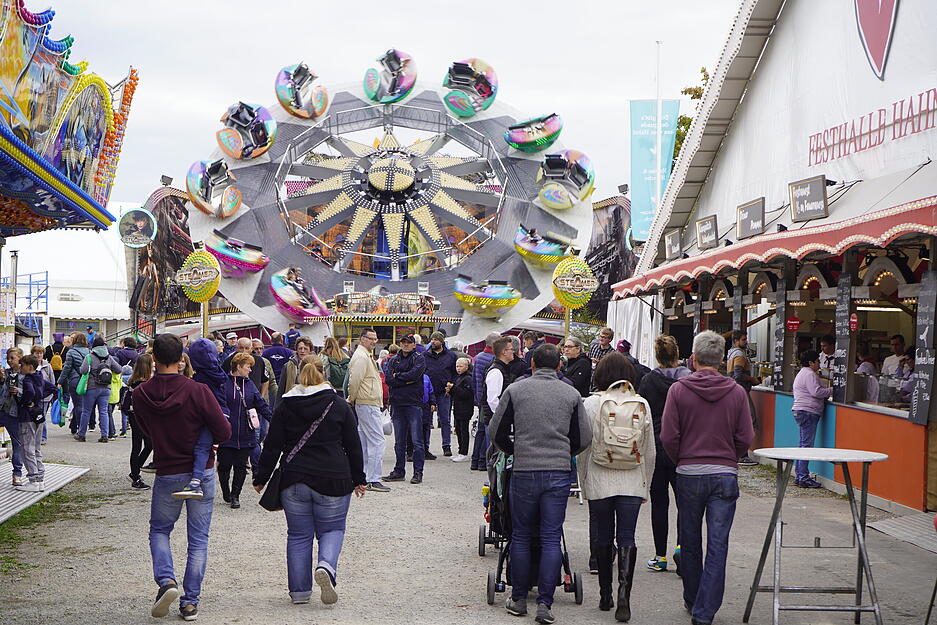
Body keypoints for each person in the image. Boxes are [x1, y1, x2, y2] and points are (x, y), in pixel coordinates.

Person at [489, 344, 591, 624]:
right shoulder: (571, 394)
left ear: (532, 364)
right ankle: (545, 603)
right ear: (559, 366)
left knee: (521, 535)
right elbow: (583, 437)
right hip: (557, 472)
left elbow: (496, 431)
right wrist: (564, 453)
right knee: (551, 536)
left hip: (525, 470)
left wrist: (514, 450)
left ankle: (519, 598)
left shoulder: (516, 391)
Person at [133, 333, 231, 621]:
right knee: (198, 539)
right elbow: (223, 432)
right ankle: (190, 602)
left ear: (154, 358)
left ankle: (166, 580)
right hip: (201, 471)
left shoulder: (141, 393)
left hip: (167, 468)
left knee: (160, 530)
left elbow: (146, 430)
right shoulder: (198, 390)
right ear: (181, 359)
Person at [253, 358, 367, 605]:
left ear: (298, 375)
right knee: (332, 529)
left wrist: (261, 477)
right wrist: (359, 478)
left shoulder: (285, 405)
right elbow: (353, 445)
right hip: (333, 477)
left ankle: (300, 592)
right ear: (324, 374)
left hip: (295, 478)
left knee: (298, 535)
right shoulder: (339, 405)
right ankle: (326, 566)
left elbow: (272, 445)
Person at [660, 330, 754, 625]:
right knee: (718, 543)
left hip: (689, 473)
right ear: (722, 359)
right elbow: (745, 437)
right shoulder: (736, 392)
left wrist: (682, 459)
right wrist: (729, 457)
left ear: (693, 358)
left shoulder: (678, 390)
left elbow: (668, 436)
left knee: (689, 539)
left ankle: (692, 597)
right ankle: (705, 610)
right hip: (724, 474)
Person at [578, 352, 654, 620]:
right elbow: (649, 450)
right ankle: (624, 594)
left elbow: (583, 448)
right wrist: (645, 485)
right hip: (631, 479)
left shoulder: (592, 403)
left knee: (603, 536)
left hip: (600, 477)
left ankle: (605, 594)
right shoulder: (641, 403)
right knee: (627, 537)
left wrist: (584, 483)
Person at [638, 335, 691, 574]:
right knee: (684, 503)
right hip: (682, 447)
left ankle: (660, 556)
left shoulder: (648, 380)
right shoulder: (688, 380)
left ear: (657, 355)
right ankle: (682, 548)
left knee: (659, 503)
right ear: (677, 353)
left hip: (656, 445)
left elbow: (642, 414)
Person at [217, 353, 272, 508]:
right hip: (227, 433)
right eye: (248, 366)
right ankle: (226, 490)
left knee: (241, 466)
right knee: (224, 465)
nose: (250, 370)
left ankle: (235, 495)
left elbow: (261, 404)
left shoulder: (250, 385)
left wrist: (273, 420)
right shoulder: (224, 384)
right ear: (239, 367)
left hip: (245, 433)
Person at [347, 328, 389, 492]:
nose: (374, 342)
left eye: (375, 339)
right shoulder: (362, 357)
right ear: (362, 339)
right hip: (367, 402)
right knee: (377, 441)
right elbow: (354, 380)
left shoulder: (364, 355)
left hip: (366, 402)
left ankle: (364, 476)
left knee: (365, 441)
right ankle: (373, 478)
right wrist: (352, 398)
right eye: (371, 338)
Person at [382, 334, 427, 484]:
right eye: (403, 342)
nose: (406, 345)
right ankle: (399, 471)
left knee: (417, 441)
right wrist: (405, 380)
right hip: (397, 403)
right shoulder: (393, 360)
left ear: (414, 345)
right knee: (399, 442)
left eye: (408, 342)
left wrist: (398, 376)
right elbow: (389, 379)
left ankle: (418, 472)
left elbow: (415, 375)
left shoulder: (419, 358)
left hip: (413, 403)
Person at [12, 354, 56, 491]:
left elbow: (29, 391)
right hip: (38, 414)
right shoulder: (39, 377)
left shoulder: (27, 379)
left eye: (22, 365)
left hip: (27, 416)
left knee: (27, 449)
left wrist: (25, 401)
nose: (20, 367)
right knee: (36, 448)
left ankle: (33, 480)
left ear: (29, 367)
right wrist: (38, 399)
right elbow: (53, 388)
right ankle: (40, 479)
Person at [791, 350, 833, 489]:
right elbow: (816, 392)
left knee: (803, 445)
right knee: (806, 446)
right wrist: (831, 390)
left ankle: (799, 475)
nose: (819, 363)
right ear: (811, 363)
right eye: (817, 361)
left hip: (801, 410)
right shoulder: (810, 374)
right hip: (808, 411)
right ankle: (803, 477)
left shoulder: (802, 373)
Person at [78, 337, 122, 443]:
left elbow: (83, 370)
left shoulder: (89, 357)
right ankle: (104, 435)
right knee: (103, 412)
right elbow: (119, 369)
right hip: (106, 388)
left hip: (92, 388)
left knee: (86, 411)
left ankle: (82, 434)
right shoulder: (109, 357)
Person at [726, 330, 760, 467]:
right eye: (743, 339)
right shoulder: (739, 354)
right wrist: (752, 379)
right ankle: (742, 455)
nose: (746, 342)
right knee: (748, 420)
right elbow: (738, 374)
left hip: (734, 390)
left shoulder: (731, 353)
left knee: (738, 422)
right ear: (736, 341)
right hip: (741, 390)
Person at [424, 331, 457, 457]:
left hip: (444, 392)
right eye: (432, 339)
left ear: (441, 342)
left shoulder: (451, 356)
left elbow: (455, 373)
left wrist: (451, 383)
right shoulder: (425, 355)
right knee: (426, 421)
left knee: (445, 420)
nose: (433, 342)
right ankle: (425, 446)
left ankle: (446, 445)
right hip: (429, 392)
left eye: (436, 340)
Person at [125, 353, 155, 489]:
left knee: (145, 444)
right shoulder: (144, 384)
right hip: (141, 417)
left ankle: (135, 471)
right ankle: (135, 476)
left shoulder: (133, 382)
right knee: (140, 445)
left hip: (134, 416)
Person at [471, 332, 499, 471]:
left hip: (481, 398)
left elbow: (475, 380)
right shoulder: (492, 359)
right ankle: (485, 461)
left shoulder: (479, 357)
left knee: (480, 431)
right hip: (487, 399)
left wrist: (477, 397)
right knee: (486, 431)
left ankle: (476, 460)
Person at [0, 348, 25, 486]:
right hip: (2, 409)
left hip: (14, 413)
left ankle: (17, 474)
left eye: (12, 358)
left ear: (20, 359)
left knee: (17, 443)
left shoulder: (24, 374)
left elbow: (31, 392)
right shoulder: (5, 373)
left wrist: (19, 391)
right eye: (8, 358)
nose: (9, 361)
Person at [58, 332, 89, 435]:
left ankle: (81, 430)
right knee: (82, 405)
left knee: (78, 405)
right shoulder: (89, 352)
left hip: (75, 380)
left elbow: (66, 368)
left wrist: (60, 381)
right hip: (86, 381)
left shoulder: (71, 352)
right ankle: (74, 426)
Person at [449, 357, 474, 462]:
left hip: (465, 408)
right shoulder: (458, 377)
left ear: (466, 367)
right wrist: (450, 390)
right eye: (457, 366)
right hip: (458, 407)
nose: (458, 368)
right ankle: (460, 451)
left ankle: (464, 452)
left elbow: (466, 394)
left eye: (460, 366)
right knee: (458, 429)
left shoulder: (468, 378)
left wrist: (454, 388)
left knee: (463, 430)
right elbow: (456, 393)